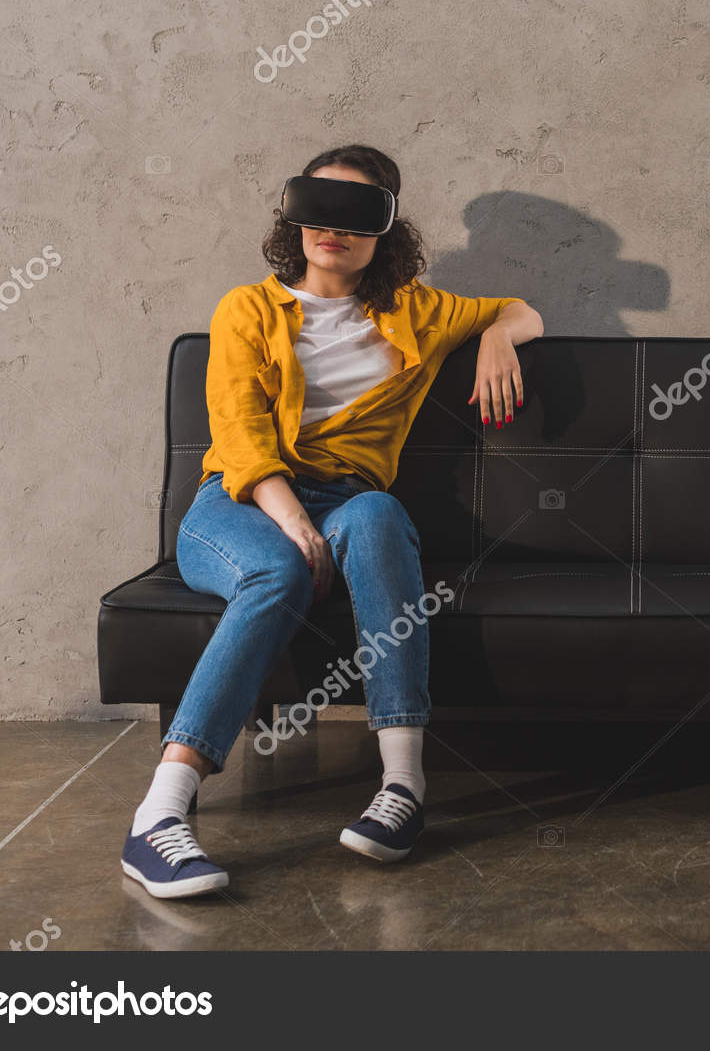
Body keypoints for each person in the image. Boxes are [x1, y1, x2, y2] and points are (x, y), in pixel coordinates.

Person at [121, 144, 543, 899]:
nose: (332, 228)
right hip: (239, 503)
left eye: (354, 214)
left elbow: (519, 308)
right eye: (318, 207)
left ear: (384, 229)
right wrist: (293, 520)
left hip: (348, 500)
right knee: (277, 569)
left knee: (380, 512)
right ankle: (160, 815)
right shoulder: (247, 309)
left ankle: (403, 786)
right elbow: (243, 436)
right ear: (295, 214)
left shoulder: (415, 311)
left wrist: (499, 335)